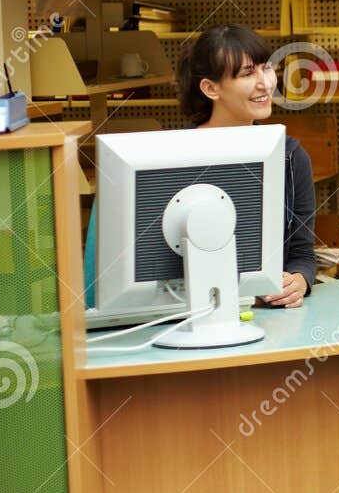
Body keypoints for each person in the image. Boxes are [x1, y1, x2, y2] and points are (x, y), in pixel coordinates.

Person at [83, 24, 316, 309]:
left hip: (266, 318)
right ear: (210, 88)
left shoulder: (291, 158)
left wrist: (299, 280)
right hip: (179, 318)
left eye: (266, 68)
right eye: (247, 73)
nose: (265, 83)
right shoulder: (163, 160)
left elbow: (302, 254)